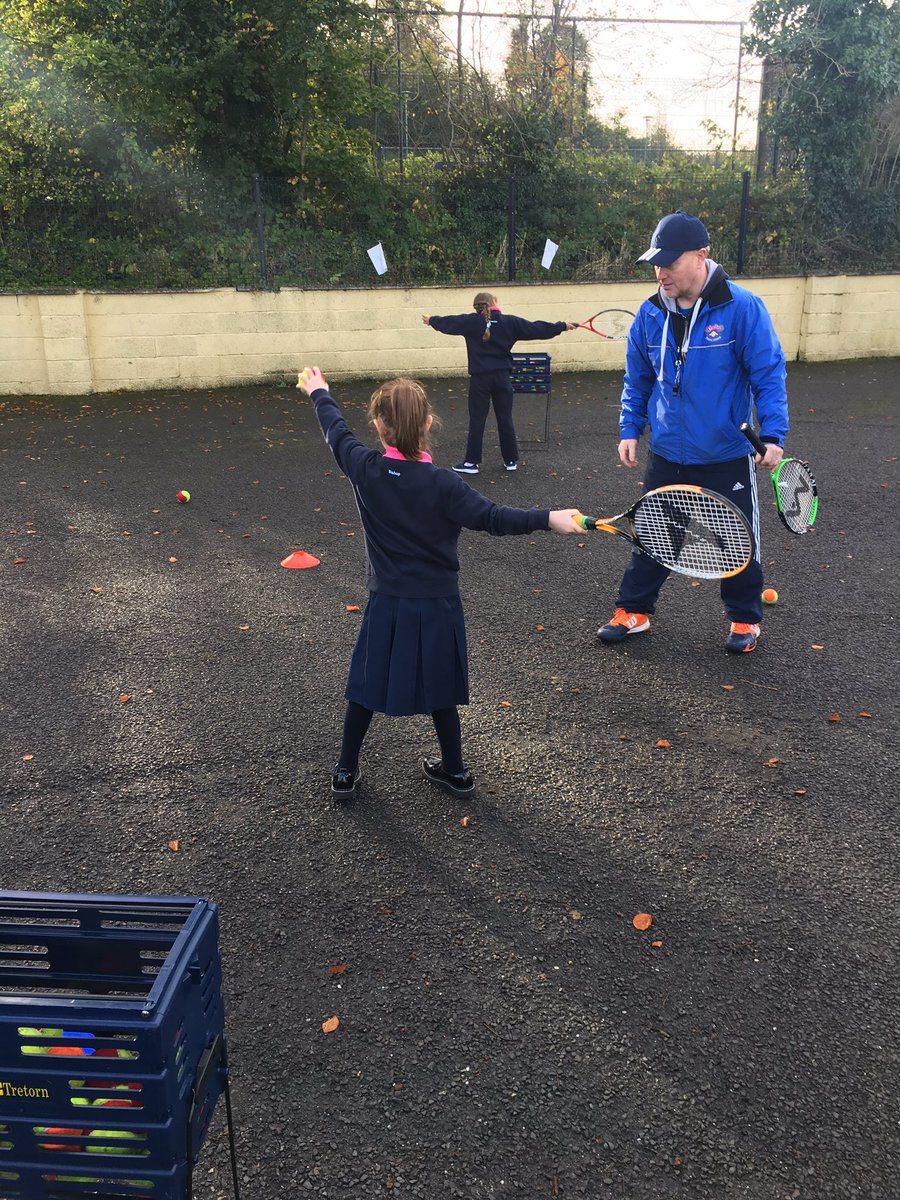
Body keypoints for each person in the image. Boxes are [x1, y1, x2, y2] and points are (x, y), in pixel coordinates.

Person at [296, 367, 581, 799]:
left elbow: (335, 430)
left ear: (378, 427)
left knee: (365, 687)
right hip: (438, 604)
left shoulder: (364, 468)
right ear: (428, 424)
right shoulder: (446, 484)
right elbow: (493, 518)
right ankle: (456, 770)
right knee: (440, 687)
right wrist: (548, 518)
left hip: (388, 602)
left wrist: (319, 391)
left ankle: (344, 770)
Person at [597, 210, 788, 654]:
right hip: (667, 451)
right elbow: (638, 377)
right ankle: (634, 610)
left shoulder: (742, 308)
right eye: (656, 263)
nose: (660, 272)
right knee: (654, 534)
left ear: (702, 256)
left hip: (724, 452)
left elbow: (768, 374)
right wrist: (630, 427)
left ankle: (744, 619)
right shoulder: (649, 313)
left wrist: (774, 433)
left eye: (669, 263)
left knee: (737, 539)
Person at [422, 293, 575, 474]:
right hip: (502, 379)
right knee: (505, 418)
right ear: (494, 303)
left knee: (477, 419)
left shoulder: (470, 322)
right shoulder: (510, 322)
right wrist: (562, 326)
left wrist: (431, 320)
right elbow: (536, 328)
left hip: (480, 380)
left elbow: (449, 323)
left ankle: (471, 463)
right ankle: (510, 460)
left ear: (476, 307)